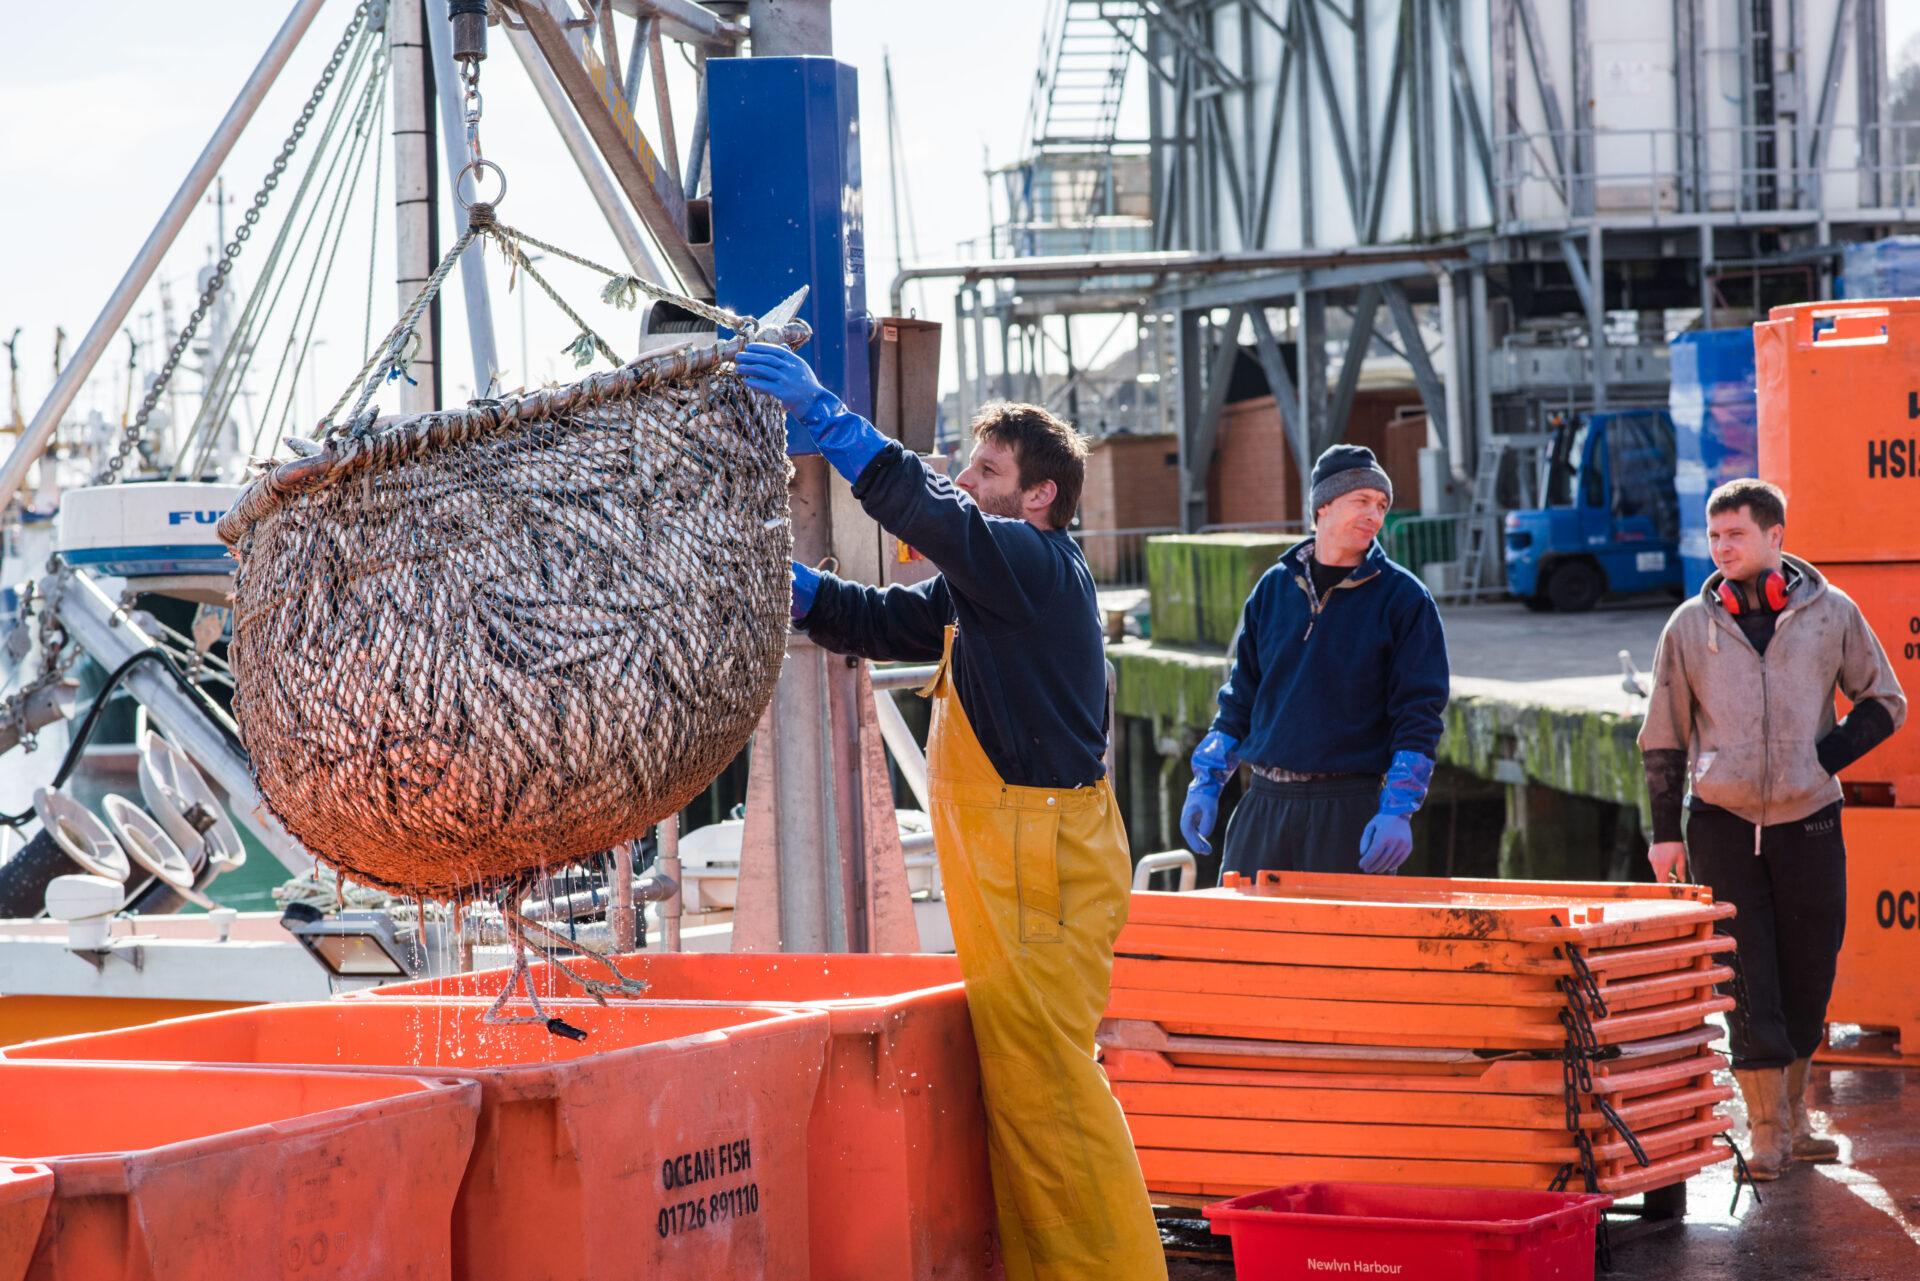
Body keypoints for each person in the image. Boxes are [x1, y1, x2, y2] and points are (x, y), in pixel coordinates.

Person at [734, 342, 1166, 1281]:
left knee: (1053, 1095)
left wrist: (838, 426)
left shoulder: (1028, 562)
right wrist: (796, 589)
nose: (964, 481)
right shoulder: (990, 589)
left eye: (987, 470)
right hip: (1026, 864)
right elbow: (885, 621)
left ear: (1040, 495)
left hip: (1037, 867)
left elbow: (928, 511)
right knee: (1028, 1091)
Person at [1638, 478, 1905, 1179]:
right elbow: (1662, 735)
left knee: (1809, 971)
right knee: (1743, 973)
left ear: (1775, 535)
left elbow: (1886, 701)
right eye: (1715, 535)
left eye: (1736, 535)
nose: (1721, 547)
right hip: (1721, 822)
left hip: (1809, 820)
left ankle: (1794, 1117)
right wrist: (1665, 831)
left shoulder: (1830, 613)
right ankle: (1763, 1129)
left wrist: (1821, 759)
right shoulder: (1689, 627)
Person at [1179, 444, 1449, 878]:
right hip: (1263, 806)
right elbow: (1240, 700)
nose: (1375, 516)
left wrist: (1398, 809)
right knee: (1247, 945)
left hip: (1350, 813)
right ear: (1323, 505)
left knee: (1346, 947)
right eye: (1361, 501)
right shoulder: (1272, 589)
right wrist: (1207, 782)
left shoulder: (1406, 600)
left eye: (1381, 505)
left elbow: (1418, 716)